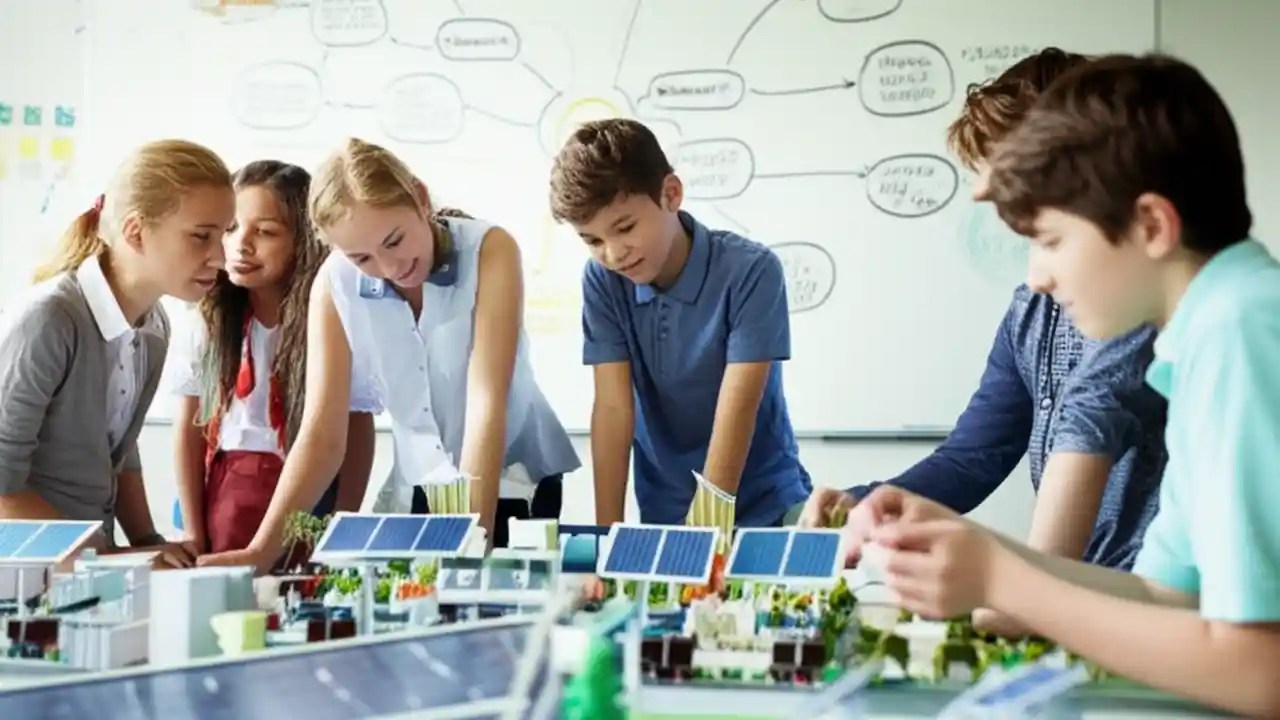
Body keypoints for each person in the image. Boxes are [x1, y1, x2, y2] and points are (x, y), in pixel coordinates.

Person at [855, 54, 1280, 718]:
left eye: (1050, 239)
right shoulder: (1202, 337)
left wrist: (1002, 577)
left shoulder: (1243, 326)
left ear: (1150, 226)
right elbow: (1164, 596)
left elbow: (1261, 672)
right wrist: (975, 550)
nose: (1037, 278)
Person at [800, 49, 1166, 585]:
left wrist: (1022, 592)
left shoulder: (1133, 302)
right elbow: (975, 454)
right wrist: (867, 502)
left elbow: (1092, 417)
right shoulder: (1032, 309)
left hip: (1137, 587)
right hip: (1090, 586)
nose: (999, 207)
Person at [199, 138, 579, 572]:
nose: (389, 266)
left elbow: (485, 402)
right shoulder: (335, 282)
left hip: (511, 475)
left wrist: (475, 537)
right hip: (421, 480)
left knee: (488, 601)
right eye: (362, 257)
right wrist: (261, 552)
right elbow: (323, 433)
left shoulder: (490, 250)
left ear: (419, 198)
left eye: (394, 241)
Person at [550, 118, 811, 527]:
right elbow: (614, 408)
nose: (614, 254)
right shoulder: (603, 281)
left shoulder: (751, 271)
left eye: (625, 228)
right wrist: (606, 535)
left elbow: (737, 408)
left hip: (767, 508)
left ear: (671, 194)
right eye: (593, 241)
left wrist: (702, 534)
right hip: (665, 513)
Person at [0, 139, 235, 568]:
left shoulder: (155, 326)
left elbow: (120, 452)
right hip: (27, 572)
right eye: (201, 236)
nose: (220, 258)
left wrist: (147, 540)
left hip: (88, 567)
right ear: (135, 231)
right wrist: (109, 561)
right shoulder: (50, 319)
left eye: (224, 236)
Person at [170, 160, 378, 557]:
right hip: (227, 494)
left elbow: (357, 427)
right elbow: (187, 431)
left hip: (309, 488)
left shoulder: (335, 321)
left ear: (305, 240)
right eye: (230, 228)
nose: (241, 244)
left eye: (264, 232)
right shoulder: (207, 320)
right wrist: (192, 534)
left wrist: (343, 523)